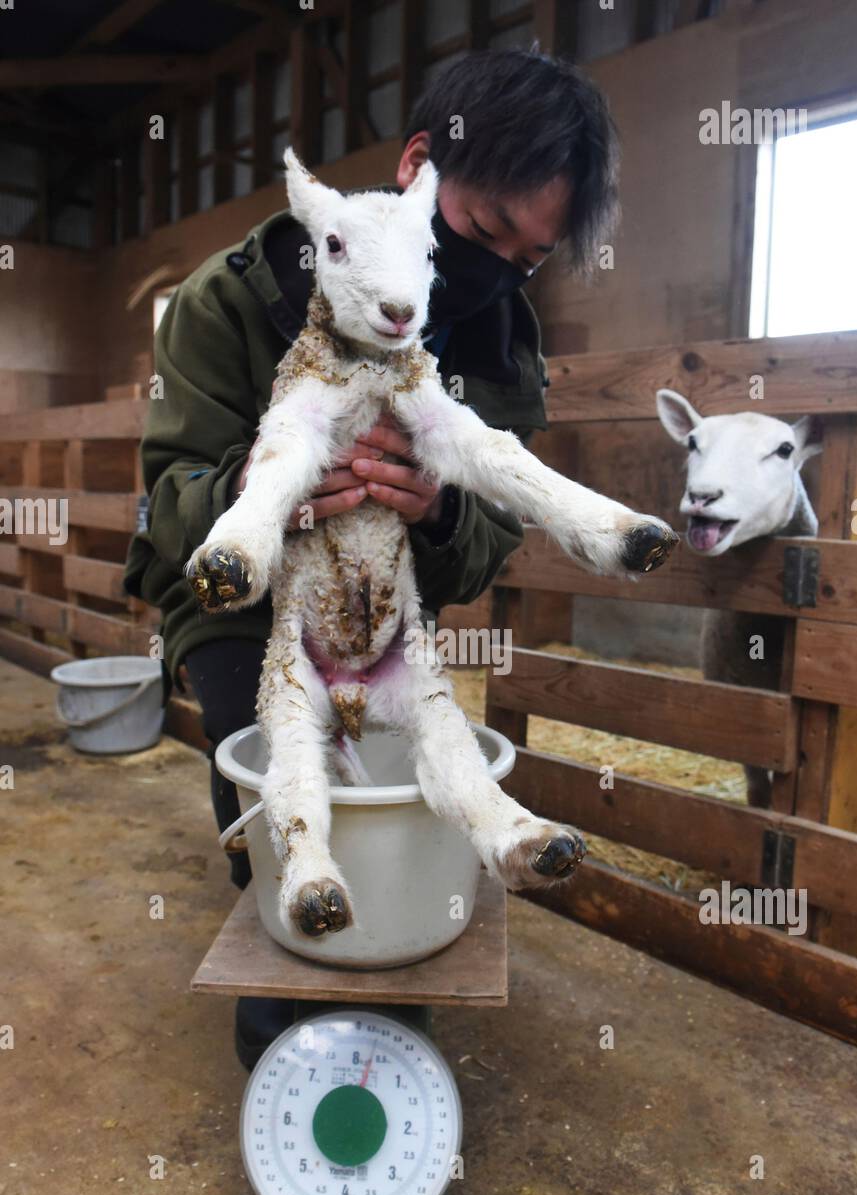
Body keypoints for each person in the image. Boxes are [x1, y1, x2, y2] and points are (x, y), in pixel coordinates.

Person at [123, 45, 621, 1069]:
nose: (499, 268)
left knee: (407, 775)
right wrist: (271, 495)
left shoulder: (495, 351)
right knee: (266, 766)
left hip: (381, 593)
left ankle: (394, 996)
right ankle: (288, 1031)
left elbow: (484, 549)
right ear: (416, 170)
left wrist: (436, 512)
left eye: (527, 257)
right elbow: (171, 510)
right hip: (239, 600)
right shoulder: (235, 297)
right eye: (484, 231)